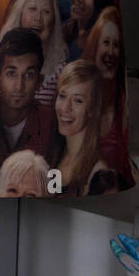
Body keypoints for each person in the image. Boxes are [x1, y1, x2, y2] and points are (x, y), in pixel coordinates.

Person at [0, 27, 55, 172]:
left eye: (29, 75)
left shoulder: (51, 123)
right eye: (11, 73)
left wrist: (53, 192)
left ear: (39, 81)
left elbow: (54, 180)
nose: (19, 86)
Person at [46, 60, 115, 196]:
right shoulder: (54, 154)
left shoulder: (99, 172)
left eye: (78, 100)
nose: (66, 107)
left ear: (92, 109)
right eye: (62, 96)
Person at [85, 6, 134, 185]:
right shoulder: (78, 95)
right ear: (95, 46)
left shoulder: (123, 101)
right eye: (106, 43)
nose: (111, 52)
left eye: (116, 45)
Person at [0, 0, 66, 100]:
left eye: (46, 12)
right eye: (32, 9)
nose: (38, 18)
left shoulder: (61, 72)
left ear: (54, 20)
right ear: (20, 13)